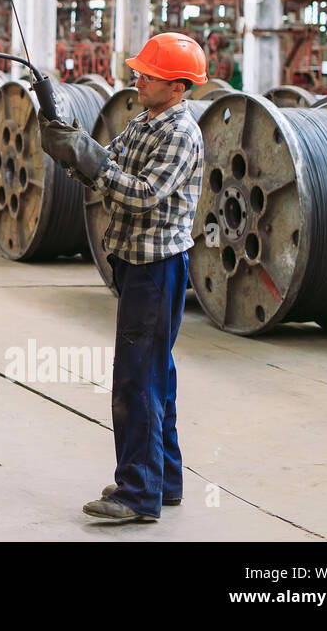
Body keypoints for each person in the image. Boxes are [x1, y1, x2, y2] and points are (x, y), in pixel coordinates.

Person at [39, 32, 207, 524]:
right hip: (135, 261)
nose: (138, 76)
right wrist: (72, 148)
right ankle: (162, 480)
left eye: (149, 74)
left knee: (137, 379)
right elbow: (106, 164)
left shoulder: (179, 132)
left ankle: (136, 494)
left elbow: (142, 194)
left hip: (157, 269)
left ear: (177, 88)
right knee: (158, 375)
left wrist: (87, 159)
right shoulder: (145, 120)